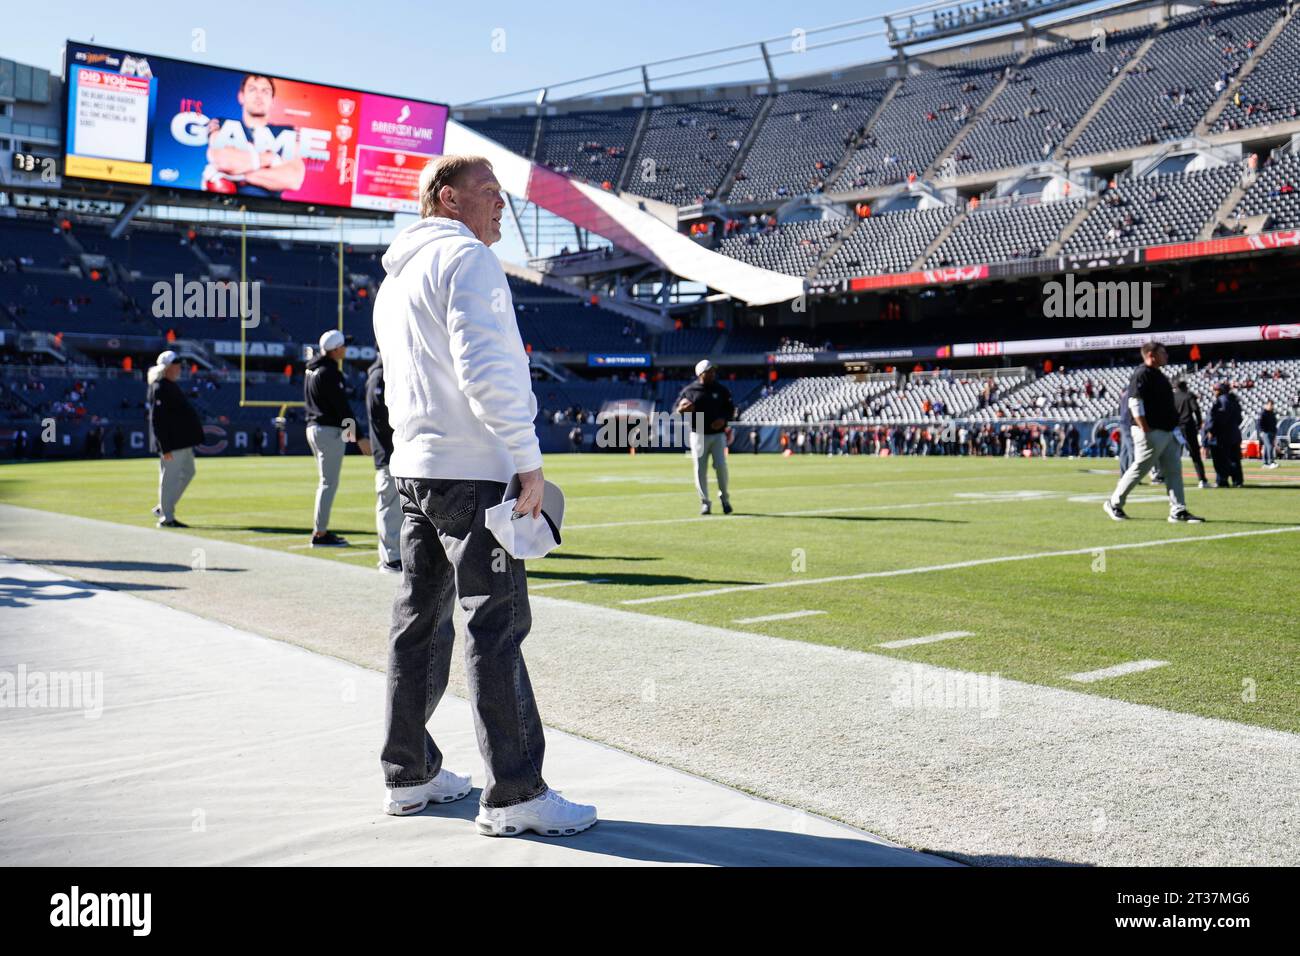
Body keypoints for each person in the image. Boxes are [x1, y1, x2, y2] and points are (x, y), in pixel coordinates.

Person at [373, 154, 596, 836]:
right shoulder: (467, 259)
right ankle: (517, 792)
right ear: (448, 198)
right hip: (470, 469)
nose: (502, 204)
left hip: (416, 468)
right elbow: (485, 368)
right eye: (489, 192)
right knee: (493, 627)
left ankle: (408, 773)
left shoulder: (396, 278)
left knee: (418, 623)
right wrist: (527, 461)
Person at [1103, 342, 1204, 523]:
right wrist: (1144, 427)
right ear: (1151, 354)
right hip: (1151, 430)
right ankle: (1114, 502)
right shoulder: (1142, 374)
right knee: (1140, 467)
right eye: (1163, 353)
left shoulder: (1159, 375)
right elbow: (1135, 401)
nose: (1166, 356)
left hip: (1166, 431)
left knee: (1173, 471)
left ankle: (1177, 509)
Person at [304, 329, 368, 547]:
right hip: (327, 430)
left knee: (325, 482)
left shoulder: (312, 369)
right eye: (343, 346)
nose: (346, 349)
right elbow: (342, 408)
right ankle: (320, 534)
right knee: (328, 483)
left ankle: (320, 531)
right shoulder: (329, 372)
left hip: (313, 428)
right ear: (336, 349)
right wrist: (358, 437)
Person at [146, 350, 204, 528]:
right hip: (173, 443)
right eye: (175, 365)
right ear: (167, 367)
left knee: (188, 472)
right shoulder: (160, 387)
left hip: (183, 441)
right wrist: (165, 447)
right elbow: (157, 420)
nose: (179, 368)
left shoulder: (170, 385)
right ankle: (166, 518)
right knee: (169, 478)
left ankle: (163, 507)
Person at [676, 359, 735, 515]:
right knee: (700, 470)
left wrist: (723, 419)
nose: (713, 373)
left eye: (713, 371)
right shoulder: (690, 391)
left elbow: (731, 410)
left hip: (717, 435)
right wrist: (682, 409)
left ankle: (725, 499)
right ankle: (705, 502)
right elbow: (677, 409)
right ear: (700, 374)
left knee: (721, 467)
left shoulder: (721, 390)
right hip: (698, 435)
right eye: (709, 371)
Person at [366, 352, 401, 573]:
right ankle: (389, 559)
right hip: (388, 452)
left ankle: (394, 556)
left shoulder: (380, 374)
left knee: (396, 508)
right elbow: (385, 416)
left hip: (392, 453)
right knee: (389, 506)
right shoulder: (380, 376)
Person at [1206, 382, 1244, 487]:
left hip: (1222, 436)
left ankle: (1222, 480)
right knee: (1234, 459)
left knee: (1220, 460)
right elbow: (1239, 419)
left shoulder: (1221, 401)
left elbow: (1216, 417)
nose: (1214, 392)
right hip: (1234, 434)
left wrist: (1211, 430)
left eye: (1216, 390)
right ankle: (1238, 481)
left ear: (1221, 390)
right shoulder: (1234, 401)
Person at [1173, 379, 1208, 488]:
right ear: (1185, 387)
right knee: (1195, 455)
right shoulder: (1188, 396)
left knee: (1174, 455)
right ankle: (1202, 479)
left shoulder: (1172, 397)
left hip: (1175, 428)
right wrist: (1199, 423)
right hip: (1188, 427)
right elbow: (1196, 409)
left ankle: (1174, 479)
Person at [1257, 400, 1278, 468]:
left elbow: (1274, 424)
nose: (1271, 406)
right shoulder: (1263, 413)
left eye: (1272, 405)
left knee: (1266, 447)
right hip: (1265, 433)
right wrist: (1261, 432)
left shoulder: (1272, 413)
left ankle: (1265, 463)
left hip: (1272, 432)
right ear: (1266, 405)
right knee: (1270, 446)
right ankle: (1271, 462)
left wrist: (1275, 433)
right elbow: (1259, 424)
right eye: (1270, 405)